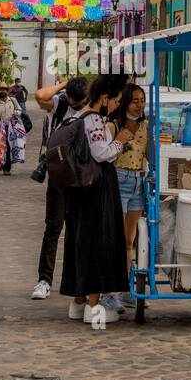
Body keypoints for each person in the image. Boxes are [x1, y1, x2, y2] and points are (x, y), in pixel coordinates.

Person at [61, 74, 132, 324]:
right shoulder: (94, 120)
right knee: (97, 243)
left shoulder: (76, 116)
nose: (115, 106)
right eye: (116, 101)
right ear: (105, 98)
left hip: (81, 190)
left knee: (81, 241)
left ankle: (78, 302)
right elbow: (101, 153)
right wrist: (120, 142)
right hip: (97, 189)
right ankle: (94, 306)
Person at [30, 76, 90, 300]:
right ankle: (44, 280)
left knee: (80, 230)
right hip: (60, 174)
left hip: (84, 176)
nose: (78, 105)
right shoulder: (62, 104)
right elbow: (40, 96)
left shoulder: (91, 109)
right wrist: (64, 85)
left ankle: (78, 282)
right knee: (53, 227)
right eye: (75, 101)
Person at [108, 83, 148, 309]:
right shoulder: (114, 125)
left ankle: (125, 288)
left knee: (128, 241)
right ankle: (110, 292)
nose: (139, 104)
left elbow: (149, 154)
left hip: (138, 182)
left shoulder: (146, 125)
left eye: (142, 100)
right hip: (119, 179)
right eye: (135, 100)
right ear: (126, 103)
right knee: (114, 239)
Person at [0, 84, 26, 169]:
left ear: (7, 91)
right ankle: (1, 164)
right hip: (1, 129)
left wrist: (16, 113)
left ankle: (7, 167)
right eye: (0, 90)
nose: (3, 91)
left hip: (12, 128)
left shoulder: (13, 100)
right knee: (2, 147)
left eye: (4, 90)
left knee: (9, 147)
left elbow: (19, 110)